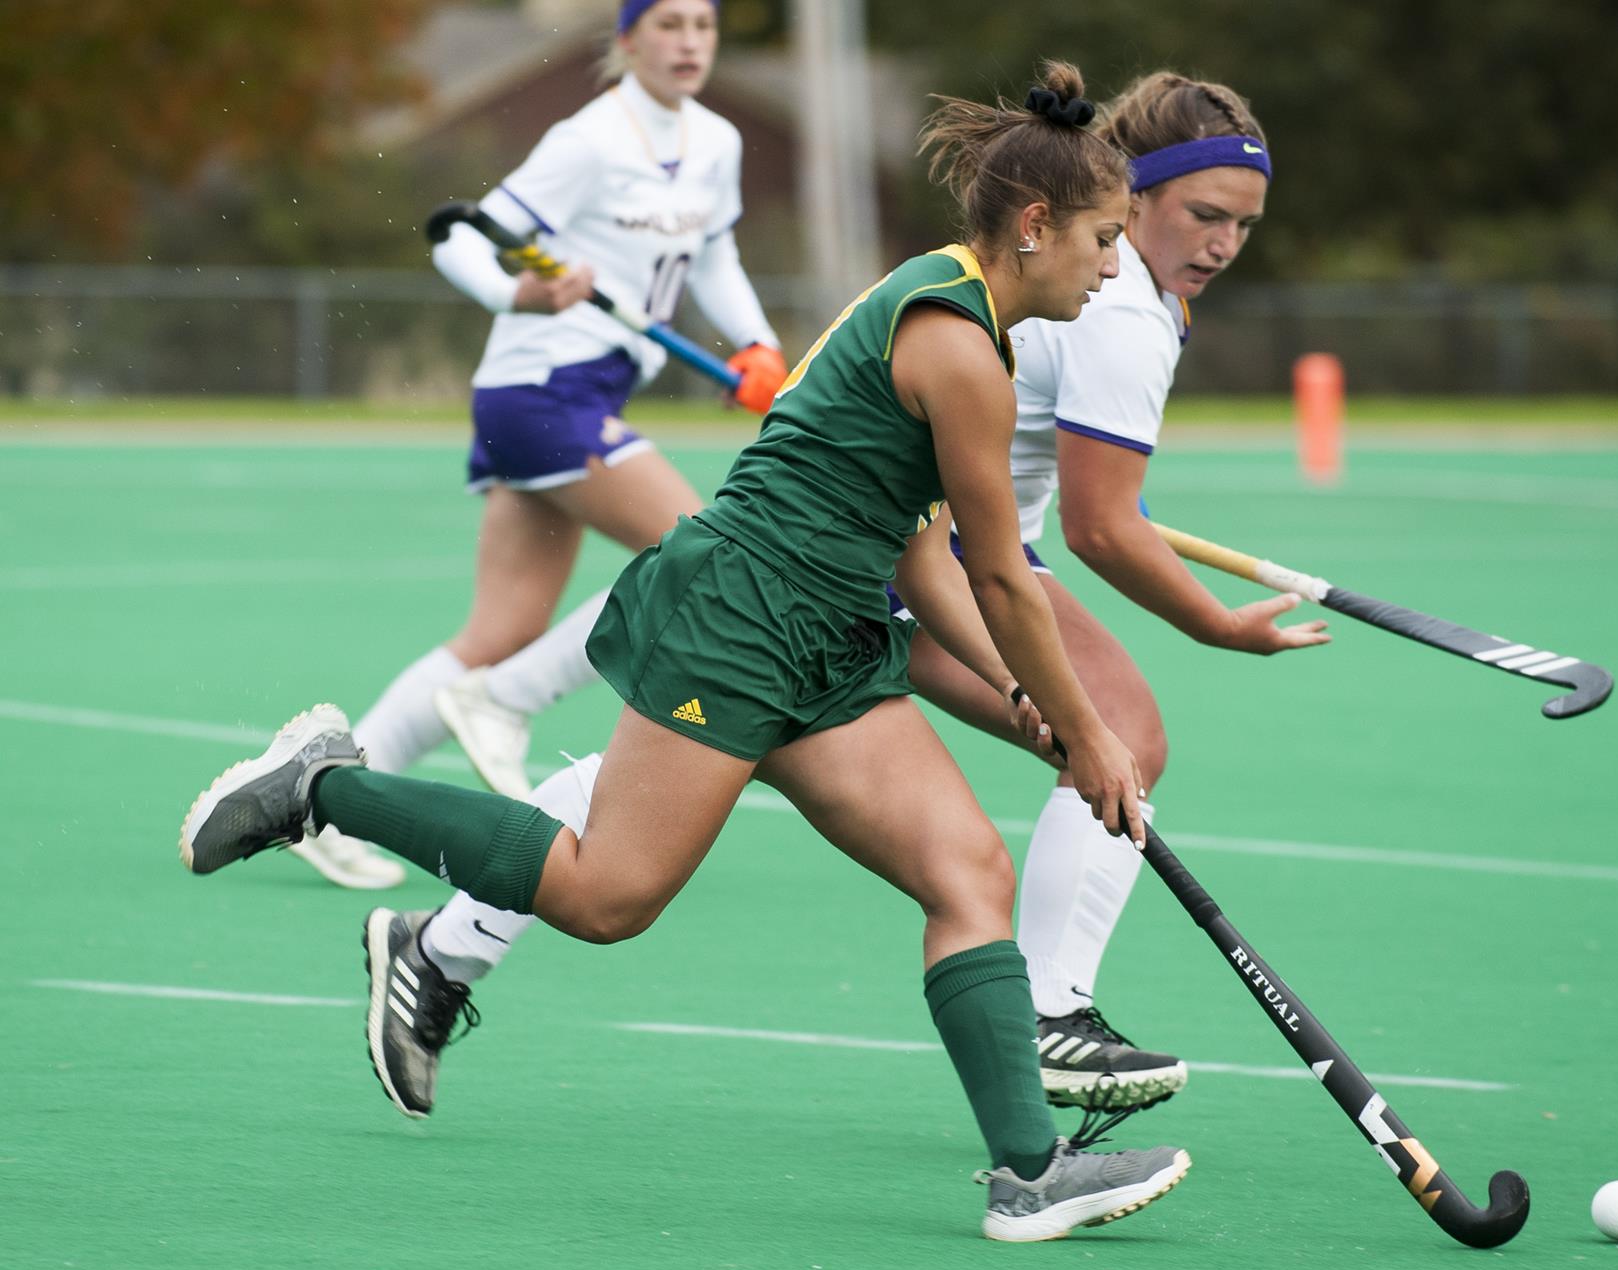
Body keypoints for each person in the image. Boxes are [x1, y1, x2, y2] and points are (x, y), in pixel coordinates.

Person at [181, 63, 1192, 1243]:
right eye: (1102, 239)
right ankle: (322, 784)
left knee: (967, 871)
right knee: (610, 896)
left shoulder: (967, 318)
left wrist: (1023, 697)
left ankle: (1028, 1173)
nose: (1115, 265)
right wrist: (1086, 730)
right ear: (1034, 227)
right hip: (740, 612)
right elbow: (1001, 572)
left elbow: (922, 562)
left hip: (833, 634)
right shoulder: (958, 345)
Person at [403, 69, 1325, 1114]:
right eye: (1200, 215)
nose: (1219, 244)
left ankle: (446, 940)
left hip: (917, 555)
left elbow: (1056, 510)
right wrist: (1196, 633)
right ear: (1121, 198)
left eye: (1242, 226)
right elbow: (1094, 523)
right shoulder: (1115, 314)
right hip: (880, 567)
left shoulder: (1067, 279)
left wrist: (1041, 675)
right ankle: (1050, 1013)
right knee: (1106, 734)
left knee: (716, 771)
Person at [290, 0, 786, 890]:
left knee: (502, 628)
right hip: (542, 388)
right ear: (627, 39)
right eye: (667, 25)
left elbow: (714, 258)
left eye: (702, 27)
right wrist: (523, 296)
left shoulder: (716, 142)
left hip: (578, 390)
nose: (688, 43)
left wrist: (754, 347)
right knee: (703, 552)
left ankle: (319, 795)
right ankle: (504, 702)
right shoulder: (589, 138)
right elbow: (459, 237)